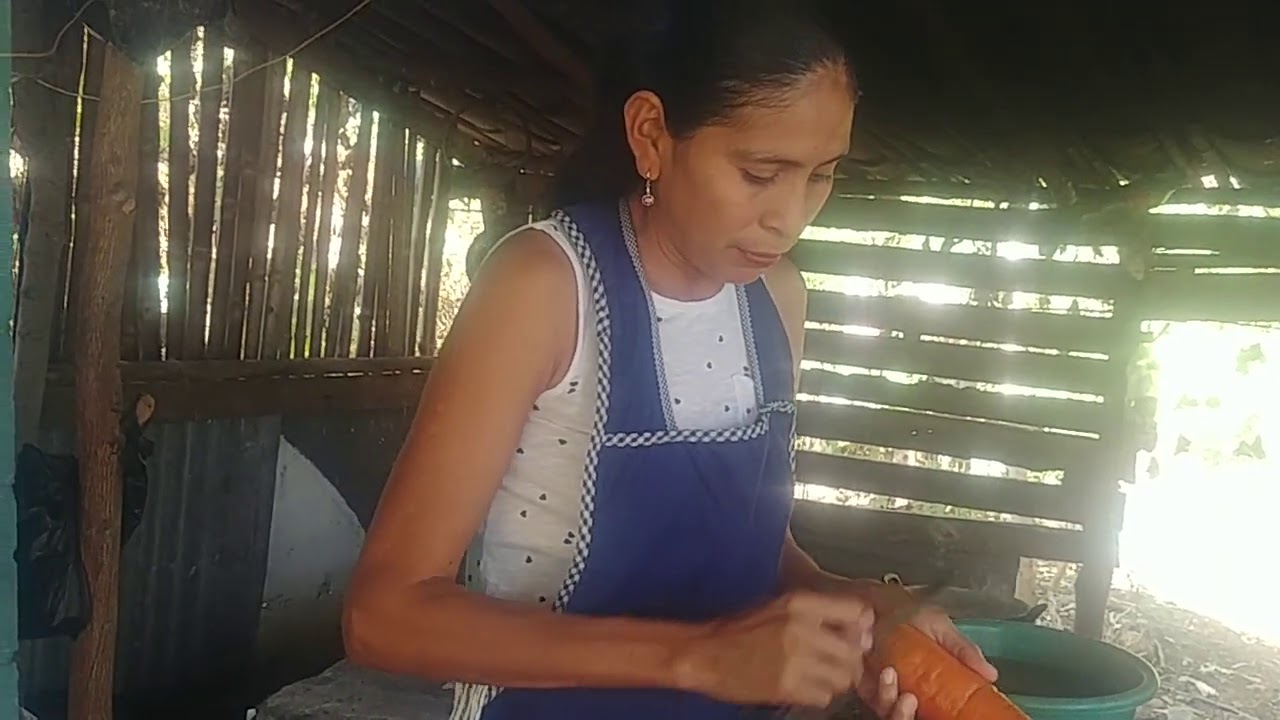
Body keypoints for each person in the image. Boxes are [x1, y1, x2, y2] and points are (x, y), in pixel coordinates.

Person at [342, 2, 998, 718]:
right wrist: (698, 656)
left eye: (820, 176)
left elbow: (757, 547)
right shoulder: (546, 286)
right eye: (760, 173)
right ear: (652, 135)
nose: (792, 217)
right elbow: (385, 617)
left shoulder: (776, 296)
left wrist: (862, 613)